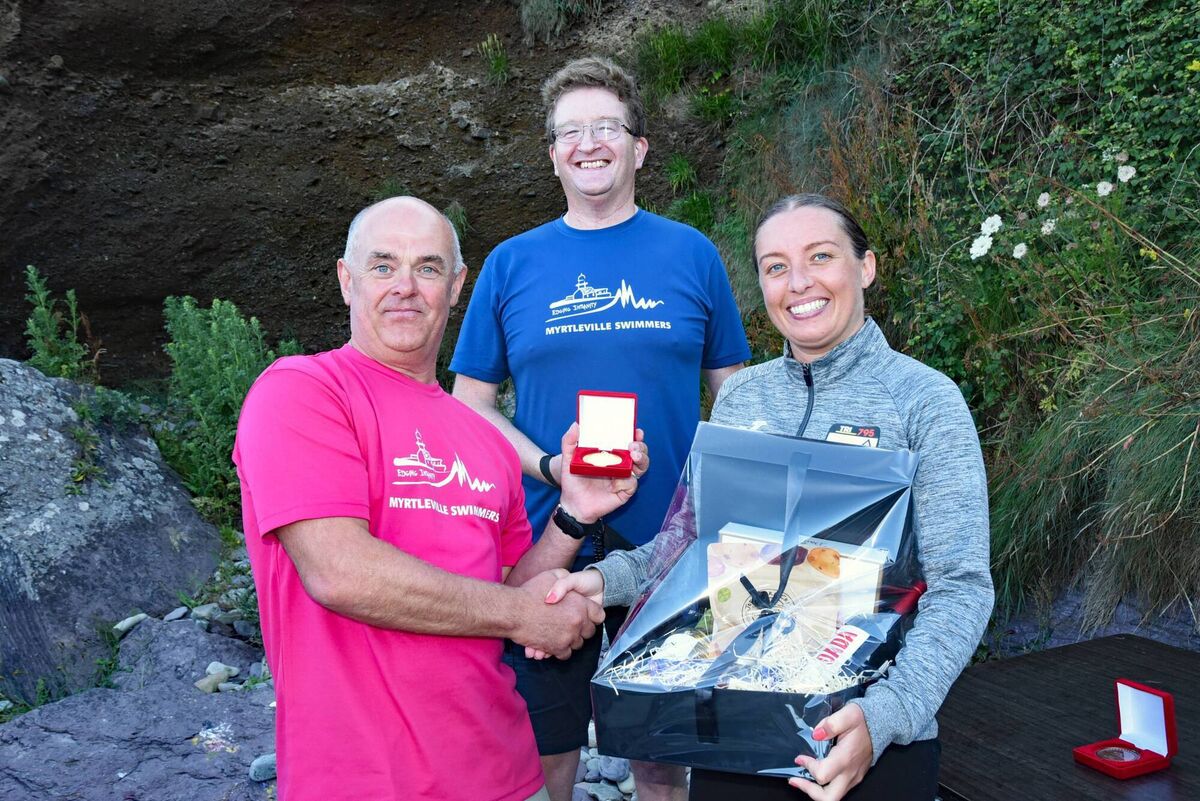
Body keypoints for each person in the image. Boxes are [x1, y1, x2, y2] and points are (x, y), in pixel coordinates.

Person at [542, 194, 994, 801]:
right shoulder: (742, 400)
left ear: (865, 267)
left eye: (821, 256)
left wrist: (887, 715)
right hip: (731, 732)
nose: (798, 282)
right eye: (775, 266)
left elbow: (961, 586)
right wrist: (603, 581)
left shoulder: (924, 403)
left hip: (863, 742)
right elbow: (696, 551)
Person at [233, 196, 649, 801]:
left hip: (507, 772)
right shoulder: (302, 391)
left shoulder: (483, 435)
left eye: (428, 267)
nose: (405, 286)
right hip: (362, 782)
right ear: (346, 280)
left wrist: (574, 513)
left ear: (456, 287)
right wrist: (526, 616)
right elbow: (340, 572)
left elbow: (503, 590)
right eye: (383, 266)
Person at [450, 57, 751, 801]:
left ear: (639, 147)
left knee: (661, 747)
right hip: (548, 538)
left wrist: (739, 508)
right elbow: (468, 403)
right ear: (552, 153)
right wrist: (553, 467)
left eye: (606, 127)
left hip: (672, 542)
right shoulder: (511, 263)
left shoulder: (693, 254)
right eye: (570, 131)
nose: (589, 143)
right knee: (548, 744)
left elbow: (737, 395)